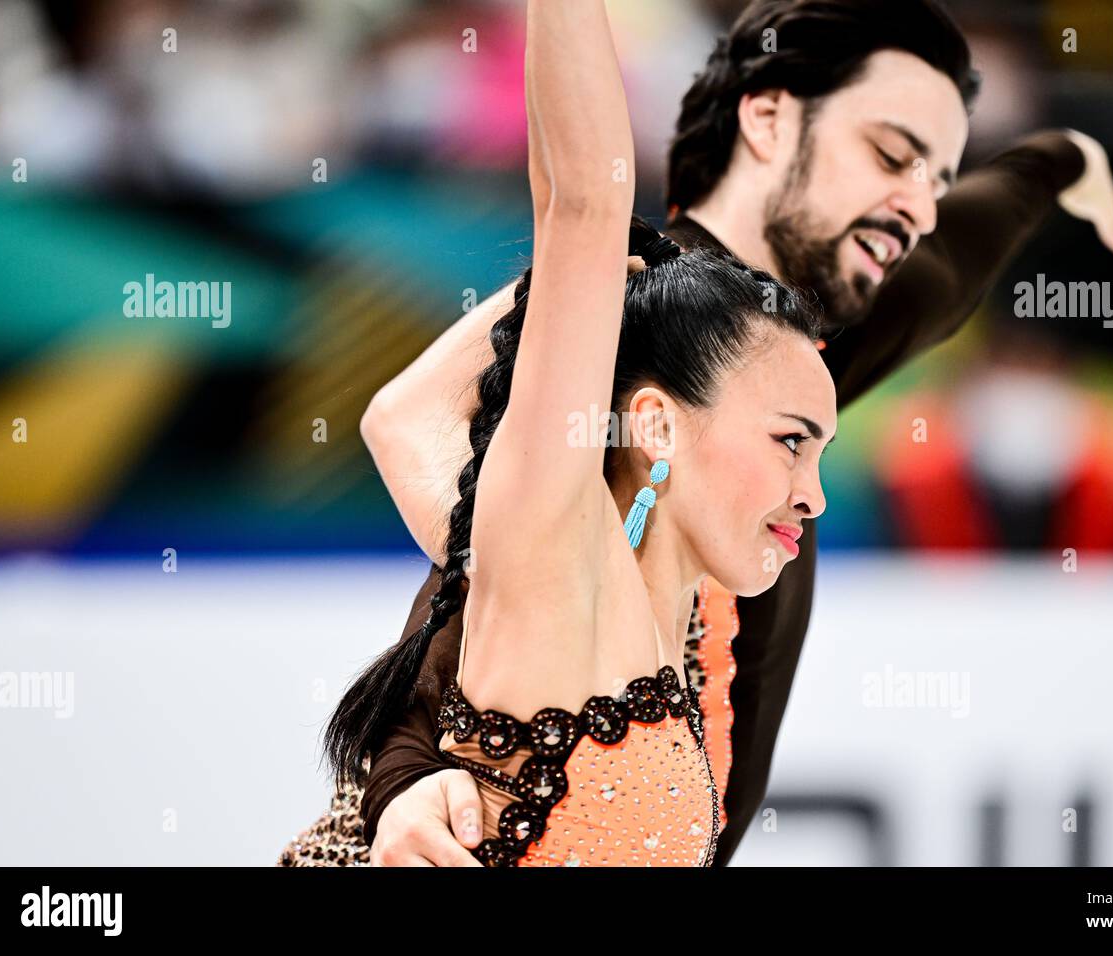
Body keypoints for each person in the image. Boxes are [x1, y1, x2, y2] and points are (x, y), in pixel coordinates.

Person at [278, 0, 1113, 867]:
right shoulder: (642, 310)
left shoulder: (827, 323)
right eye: (891, 155)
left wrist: (1064, 160)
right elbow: (475, 540)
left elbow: (959, 256)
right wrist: (403, 777)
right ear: (767, 117)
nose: (918, 208)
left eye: (939, 181)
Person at [303, 0, 834, 868]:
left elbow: (403, 423)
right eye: (789, 442)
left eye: (820, 453)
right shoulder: (558, 560)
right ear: (657, 422)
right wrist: (602, 265)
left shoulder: (656, 609)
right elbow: (583, 199)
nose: (813, 495)